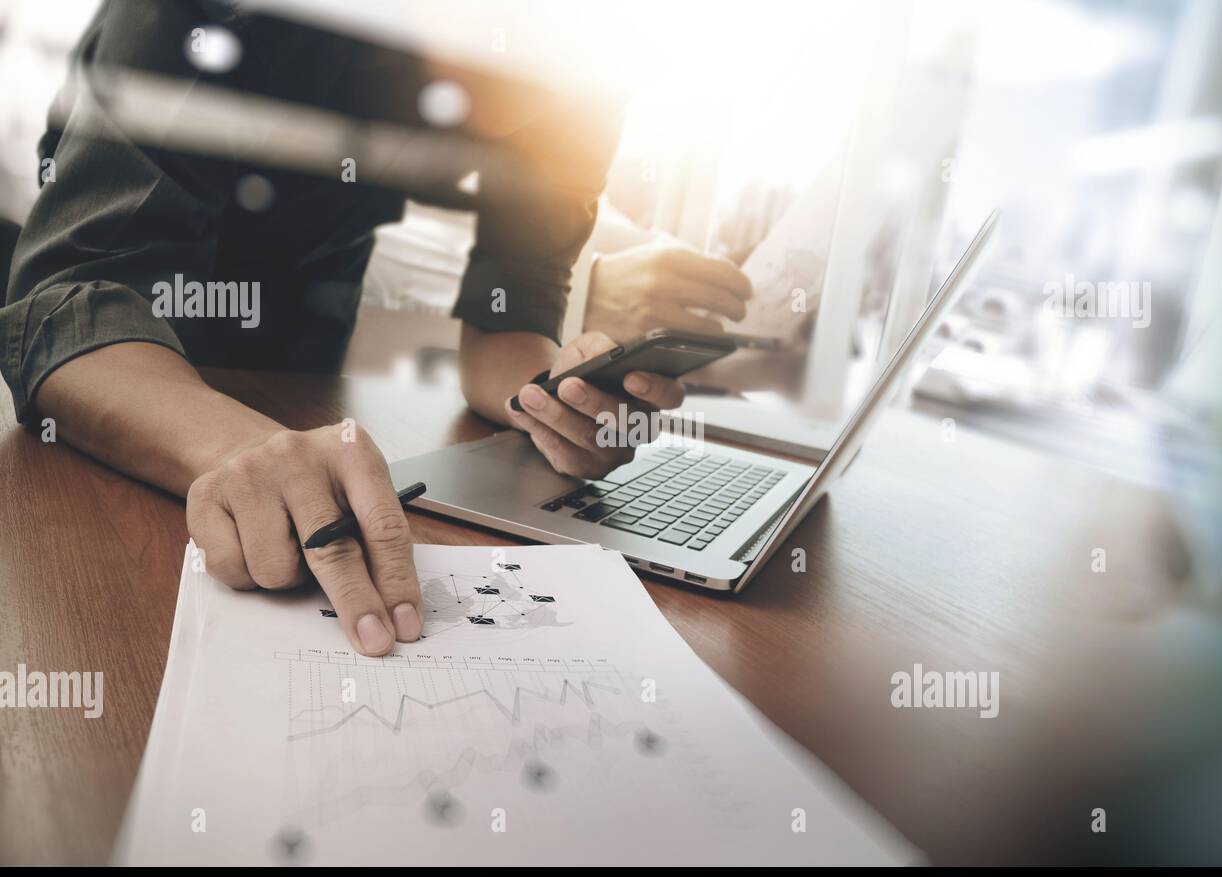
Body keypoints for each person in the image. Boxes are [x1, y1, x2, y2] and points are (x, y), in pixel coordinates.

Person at [0, 1, 722, 658]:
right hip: (109, 399)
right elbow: (67, 303)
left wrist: (550, 401)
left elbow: (512, 309)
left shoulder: (589, 70)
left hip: (305, 330)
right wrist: (238, 446)